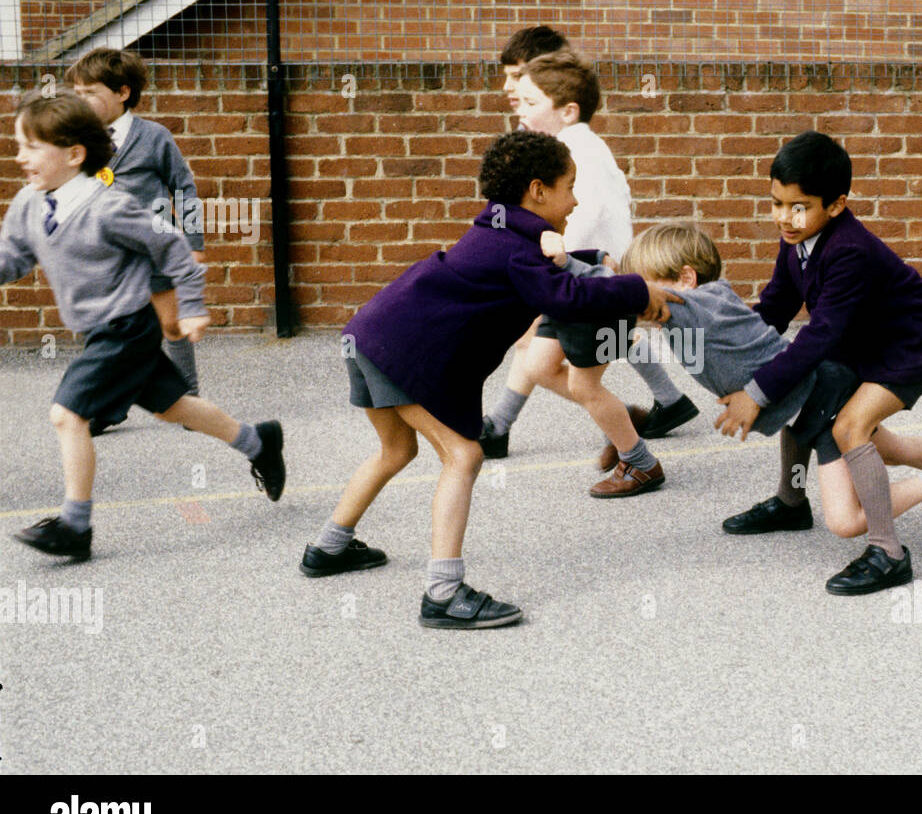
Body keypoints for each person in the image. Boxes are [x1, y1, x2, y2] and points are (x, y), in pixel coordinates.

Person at [298, 130, 678, 629]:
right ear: (537, 191)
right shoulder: (516, 248)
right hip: (403, 352)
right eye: (569, 187)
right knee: (465, 455)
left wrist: (591, 263)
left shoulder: (504, 233)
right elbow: (565, 299)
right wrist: (636, 288)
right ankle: (442, 593)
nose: (576, 199)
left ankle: (327, 548)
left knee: (396, 451)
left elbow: (546, 272)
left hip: (372, 335)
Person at [568, 222, 922, 568]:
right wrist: (571, 262)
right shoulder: (677, 315)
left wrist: (566, 267)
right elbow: (612, 287)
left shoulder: (700, 304)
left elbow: (613, 291)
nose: (635, 297)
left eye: (642, 286)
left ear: (685, 279)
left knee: (846, 520)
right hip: (806, 399)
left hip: (821, 399)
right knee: (891, 448)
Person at [716, 132, 922, 595]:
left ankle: (889, 552)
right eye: (776, 202)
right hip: (860, 342)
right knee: (868, 438)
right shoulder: (796, 239)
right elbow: (775, 307)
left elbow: (819, 336)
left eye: (799, 206)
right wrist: (733, 359)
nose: (784, 216)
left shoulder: (848, 250)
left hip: (908, 346)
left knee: (850, 430)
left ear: (836, 205)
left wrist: (756, 394)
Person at [1, 91, 284, 560]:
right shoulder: (29, 204)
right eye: (19, 145)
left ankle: (75, 526)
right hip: (98, 331)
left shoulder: (110, 207)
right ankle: (260, 442)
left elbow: (172, 248)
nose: (20, 157)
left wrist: (191, 305)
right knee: (174, 408)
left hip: (126, 328)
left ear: (73, 155)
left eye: (31, 146)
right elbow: (13, 258)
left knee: (67, 415)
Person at [480, 43, 697, 462]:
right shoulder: (567, 144)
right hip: (579, 277)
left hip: (589, 280)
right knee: (543, 364)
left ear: (568, 111)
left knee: (581, 380)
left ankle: (634, 455)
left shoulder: (578, 150)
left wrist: (549, 251)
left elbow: (588, 211)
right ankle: (659, 405)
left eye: (530, 102)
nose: (519, 109)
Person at [66, 47, 205, 436]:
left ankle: (188, 400)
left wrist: (193, 241)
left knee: (172, 326)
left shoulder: (154, 138)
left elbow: (184, 188)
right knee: (107, 334)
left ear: (122, 92)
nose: (82, 102)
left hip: (154, 251)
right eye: (77, 94)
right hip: (104, 258)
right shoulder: (77, 141)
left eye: (90, 93)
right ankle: (109, 406)